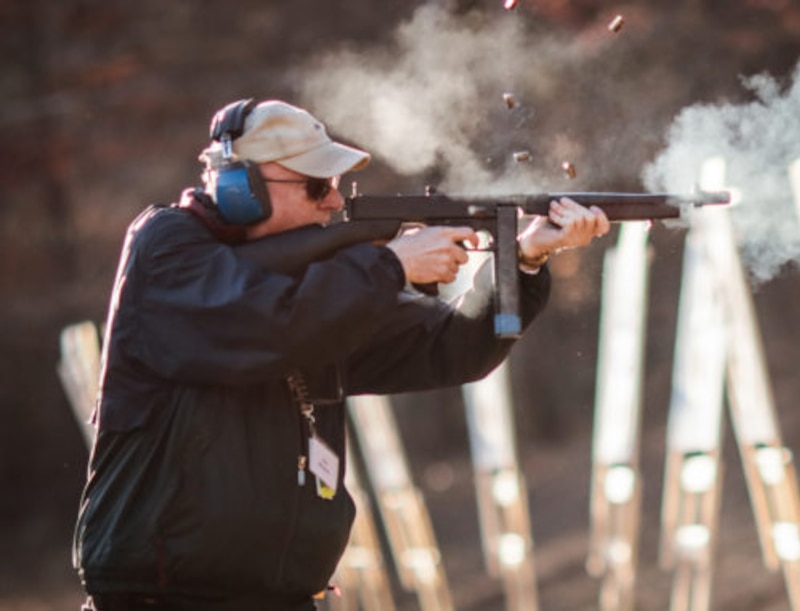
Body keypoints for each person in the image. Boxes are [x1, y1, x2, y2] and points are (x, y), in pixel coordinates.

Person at [73, 99, 610, 610]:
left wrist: (524, 260)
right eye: (314, 186)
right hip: (166, 599)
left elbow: (449, 347)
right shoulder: (168, 248)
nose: (333, 202)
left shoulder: (324, 289)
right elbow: (265, 328)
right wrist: (392, 267)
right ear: (242, 189)